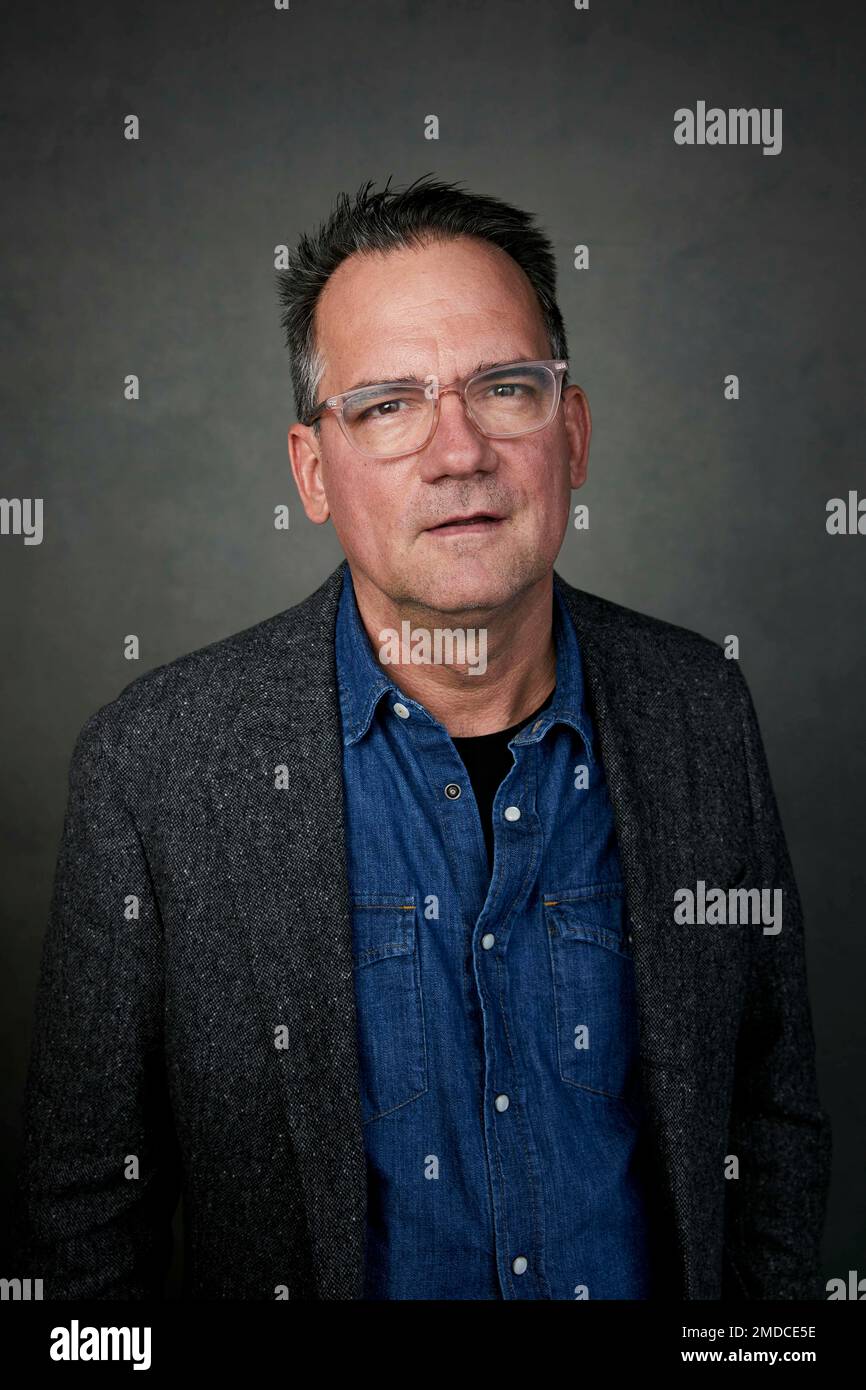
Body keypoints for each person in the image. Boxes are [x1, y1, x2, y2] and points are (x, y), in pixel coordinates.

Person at [14, 175, 831, 1300]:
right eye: (389, 404)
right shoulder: (154, 769)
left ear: (572, 431)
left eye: (503, 387)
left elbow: (768, 1118)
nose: (457, 452)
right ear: (312, 469)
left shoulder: (699, 709)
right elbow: (84, 1215)